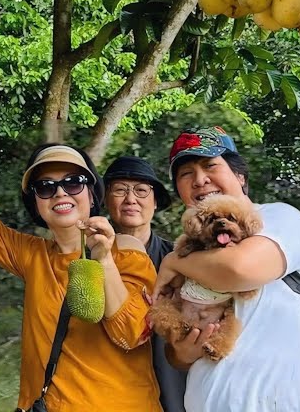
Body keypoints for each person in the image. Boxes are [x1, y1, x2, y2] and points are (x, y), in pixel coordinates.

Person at [0, 99, 161, 411]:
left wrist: (102, 259)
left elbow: (131, 333)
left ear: (91, 193)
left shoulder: (126, 250)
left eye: (73, 183)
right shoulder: (32, 256)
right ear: (36, 203)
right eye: (45, 187)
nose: (60, 192)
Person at [154, 127, 300, 412]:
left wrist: (173, 261)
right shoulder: (194, 247)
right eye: (186, 174)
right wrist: (181, 351)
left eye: (210, 165)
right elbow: (178, 356)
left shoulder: (279, 218)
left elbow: (238, 270)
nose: (200, 180)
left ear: (240, 176)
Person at [103, 155, 187, 412]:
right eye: (120, 190)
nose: (131, 199)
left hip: (172, 388)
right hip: (109, 389)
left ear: (155, 201)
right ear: (105, 199)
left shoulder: (182, 260)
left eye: (141, 190)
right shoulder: (90, 259)